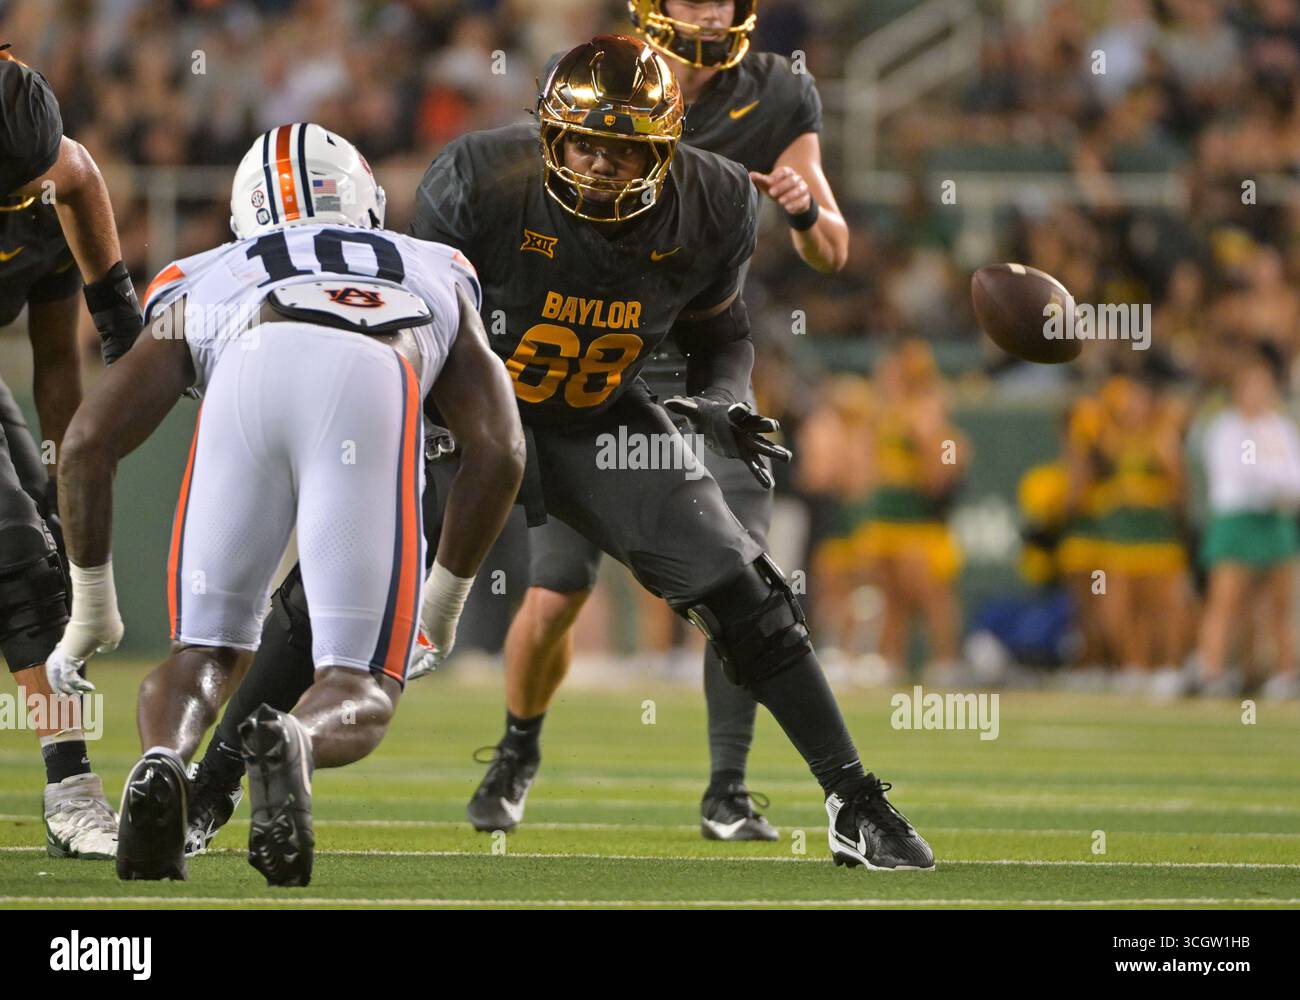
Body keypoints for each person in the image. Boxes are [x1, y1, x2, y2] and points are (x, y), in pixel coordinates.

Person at [186, 36, 933, 871]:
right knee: (330, 587)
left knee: (748, 593)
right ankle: (209, 790)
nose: (603, 165)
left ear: (666, 148)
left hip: (597, 418)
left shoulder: (714, 197)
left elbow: (722, 334)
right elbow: (420, 327)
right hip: (462, 412)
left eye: (624, 149)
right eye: (585, 144)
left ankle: (851, 800)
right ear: (549, 137)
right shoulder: (481, 181)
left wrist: (723, 402)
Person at [44, 124, 524, 885]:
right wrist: (446, 600)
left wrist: (91, 605)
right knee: (360, 681)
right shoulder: (434, 265)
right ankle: (296, 740)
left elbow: (85, 446)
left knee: (203, 652)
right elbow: (501, 451)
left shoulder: (203, 271)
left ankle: (164, 760)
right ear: (362, 194)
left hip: (247, 366)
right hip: (370, 373)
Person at [466, 0, 851, 841]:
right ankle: (517, 747)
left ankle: (728, 786)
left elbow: (833, 249)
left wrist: (804, 211)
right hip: (596, 357)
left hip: (709, 357)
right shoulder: (609, 72)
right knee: (558, 587)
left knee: (746, 576)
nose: (710, 9)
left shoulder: (779, 94)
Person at [0, 44, 143, 860]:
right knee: (15, 556)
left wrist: (61, 481)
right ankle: (72, 791)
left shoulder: (43, 179)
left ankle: (70, 790)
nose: (30, 196)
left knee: (41, 551)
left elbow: (58, 365)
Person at [1196, 345, 1300, 698]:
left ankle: (1286, 675)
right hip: (1236, 522)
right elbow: (1245, 475)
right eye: (1251, 385)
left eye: (1264, 384)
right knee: (1226, 603)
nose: (1258, 393)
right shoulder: (1225, 429)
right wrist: (1277, 481)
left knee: (1280, 606)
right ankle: (1212, 673)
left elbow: (1293, 478)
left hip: (1274, 522)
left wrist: (1279, 484)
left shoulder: (1280, 427)